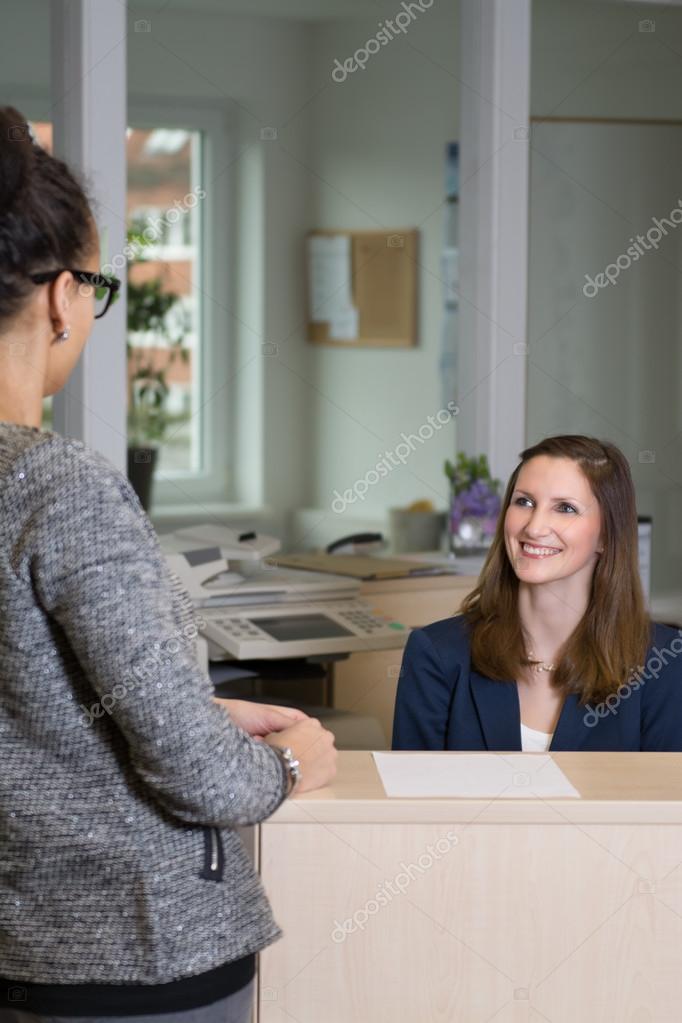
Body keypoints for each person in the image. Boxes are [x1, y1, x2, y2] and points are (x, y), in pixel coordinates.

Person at [0, 106, 337, 1022]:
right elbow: (206, 779)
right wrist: (297, 763)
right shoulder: (56, 484)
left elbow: (24, 706)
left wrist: (179, 708)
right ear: (64, 297)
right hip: (135, 961)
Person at [392, 434, 682, 752]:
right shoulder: (436, 654)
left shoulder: (664, 664)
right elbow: (412, 798)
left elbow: (665, 800)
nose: (534, 527)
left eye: (566, 508)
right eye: (525, 502)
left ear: (605, 537)